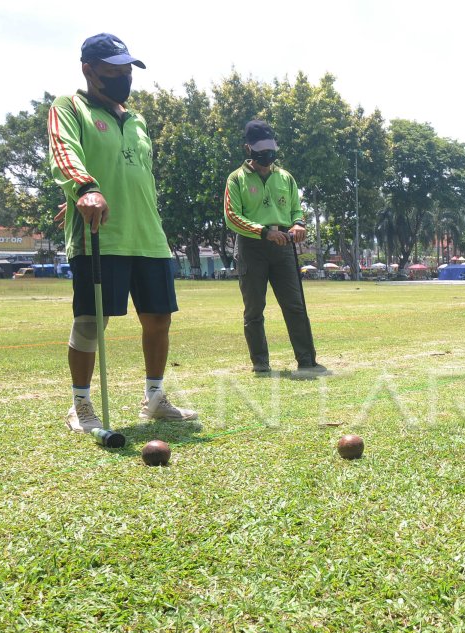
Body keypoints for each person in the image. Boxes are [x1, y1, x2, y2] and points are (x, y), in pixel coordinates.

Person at [49, 33, 197, 434]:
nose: (122, 77)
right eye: (112, 71)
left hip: (147, 233)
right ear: (89, 70)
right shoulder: (69, 106)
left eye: (126, 70)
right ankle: (80, 404)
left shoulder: (137, 119)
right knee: (92, 321)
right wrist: (83, 188)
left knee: (159, 319)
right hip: (102, 233)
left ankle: (154, 398)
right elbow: (64, 152)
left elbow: (137, 175)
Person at [224, 120, 329, 377]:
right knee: (254, 309)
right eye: (261, 148)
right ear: (248, 148)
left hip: (283, 246)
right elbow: (232, 216)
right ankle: (260, 363)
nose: (267, 154)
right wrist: (263, 232)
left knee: (295, 305)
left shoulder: (286, 178)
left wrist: (298, 224)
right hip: (252, 246)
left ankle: (307, 360)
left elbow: (296, 209)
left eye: (271, 147)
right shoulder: (236, 179)